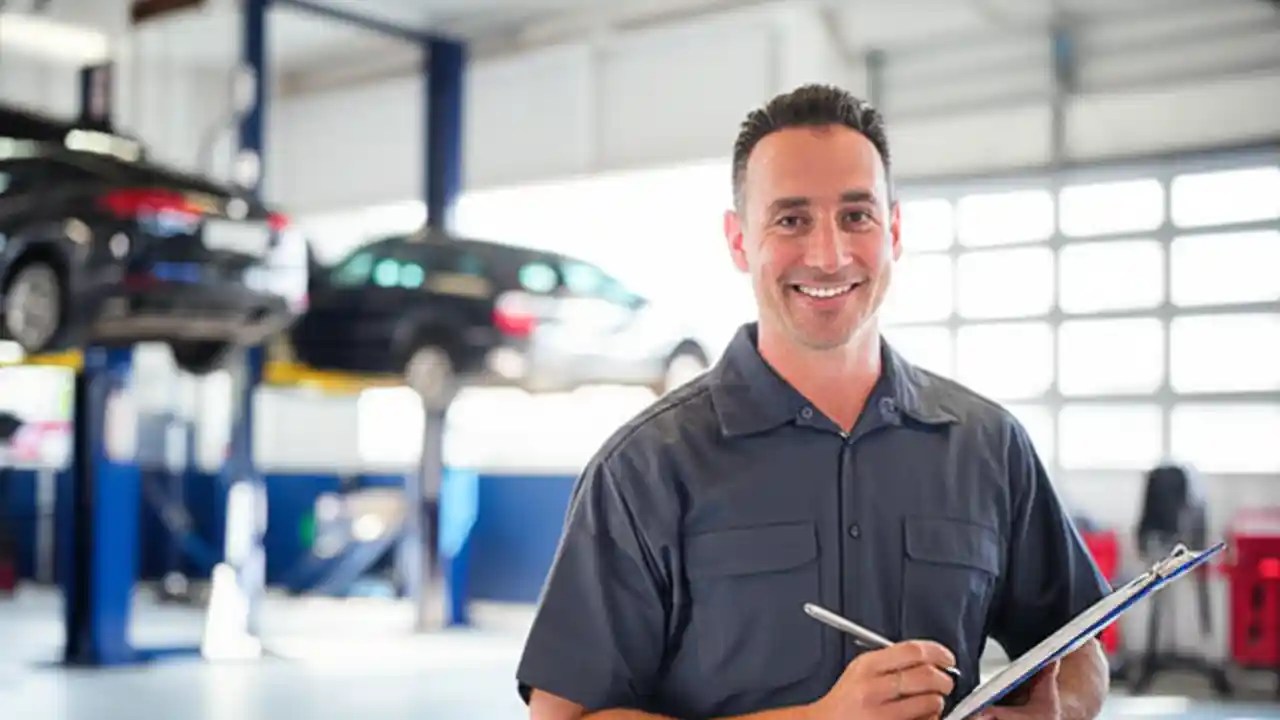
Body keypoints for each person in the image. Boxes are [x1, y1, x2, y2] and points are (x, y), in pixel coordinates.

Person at [516, 83, 1111, 720]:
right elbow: (566, 715)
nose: (829, 255)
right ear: (739, 240)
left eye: (857, 216)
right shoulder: (645, 469)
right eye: (791, 219)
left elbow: (1079, 643)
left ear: (895, 230)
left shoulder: (988, 446)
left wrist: (1065, 709)